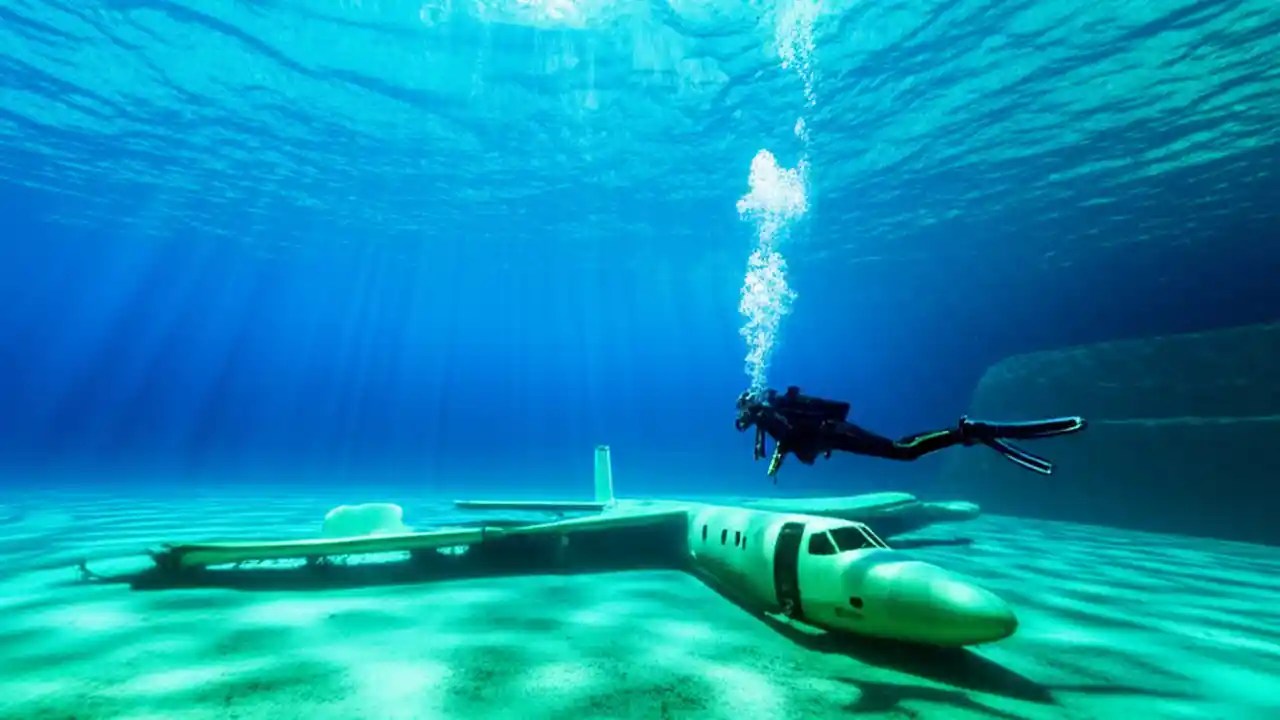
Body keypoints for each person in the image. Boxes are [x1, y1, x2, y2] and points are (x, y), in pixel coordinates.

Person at [735, 386, 1086, 481]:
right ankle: (964, 433)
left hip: (835, 433)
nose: (744, 420)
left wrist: (776, 453)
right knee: (901, 449)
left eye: (744, 414)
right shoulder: (773, 414)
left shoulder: (766, 415)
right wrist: (776, 462)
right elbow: (791, 440)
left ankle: (966, 431)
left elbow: (792, 439)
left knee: (902, 451)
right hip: (834, 432)